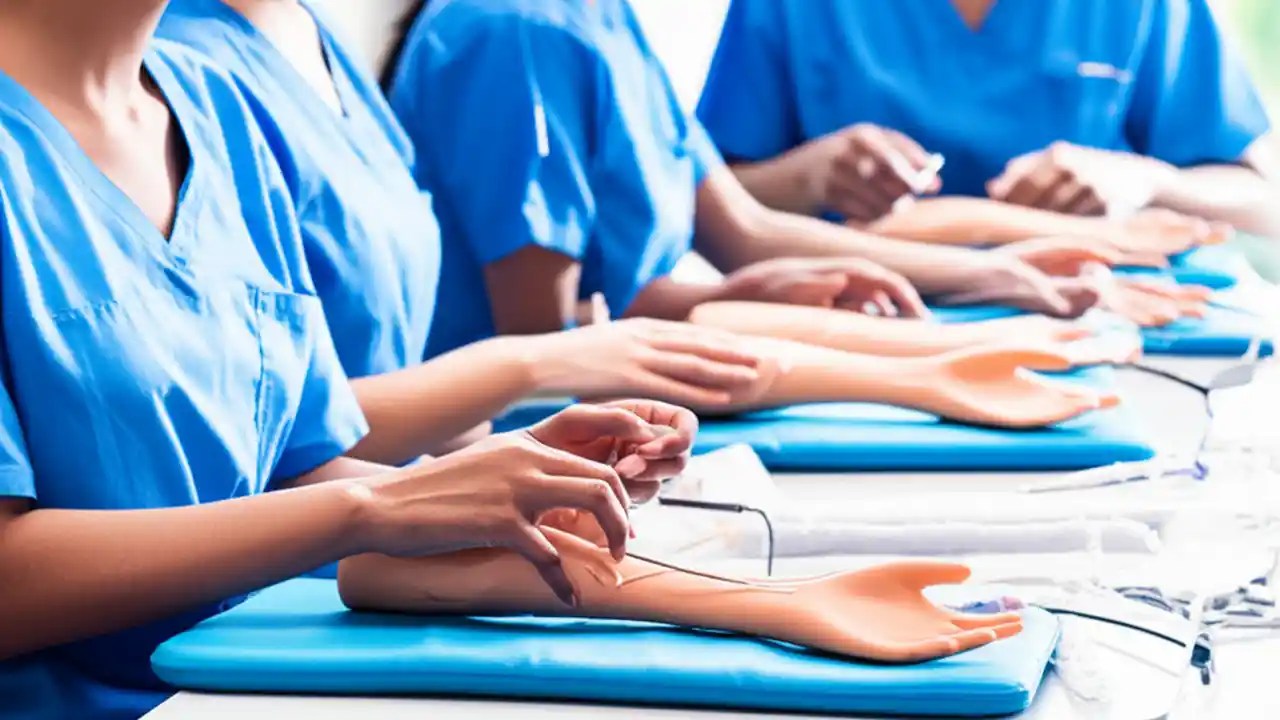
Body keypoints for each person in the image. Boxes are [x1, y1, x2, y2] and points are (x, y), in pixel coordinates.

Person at [0, 2, 695, 717]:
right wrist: (374, 506)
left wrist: (497, 489)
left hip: (250, 678)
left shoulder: (209, 105)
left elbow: (293, 463)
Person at [157, 0, 767, 463]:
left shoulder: (305, 33)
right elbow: (268, 434)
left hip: (413, 473)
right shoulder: (190, 66)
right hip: (322, 542)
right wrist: (528, 367)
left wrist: (504, 430)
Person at [386, 0, 1103, 361]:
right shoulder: (518, 35)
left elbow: (748, 232)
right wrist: (937, 355)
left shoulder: (599, 16)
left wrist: (999, 275)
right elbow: (540, 350)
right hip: (513, 434)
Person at [698, 0, 1280, 238]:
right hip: (855, 316)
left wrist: (1145, 181)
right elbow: (700, 207)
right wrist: (809, 177)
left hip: (1109, 322)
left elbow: (1260, 199)